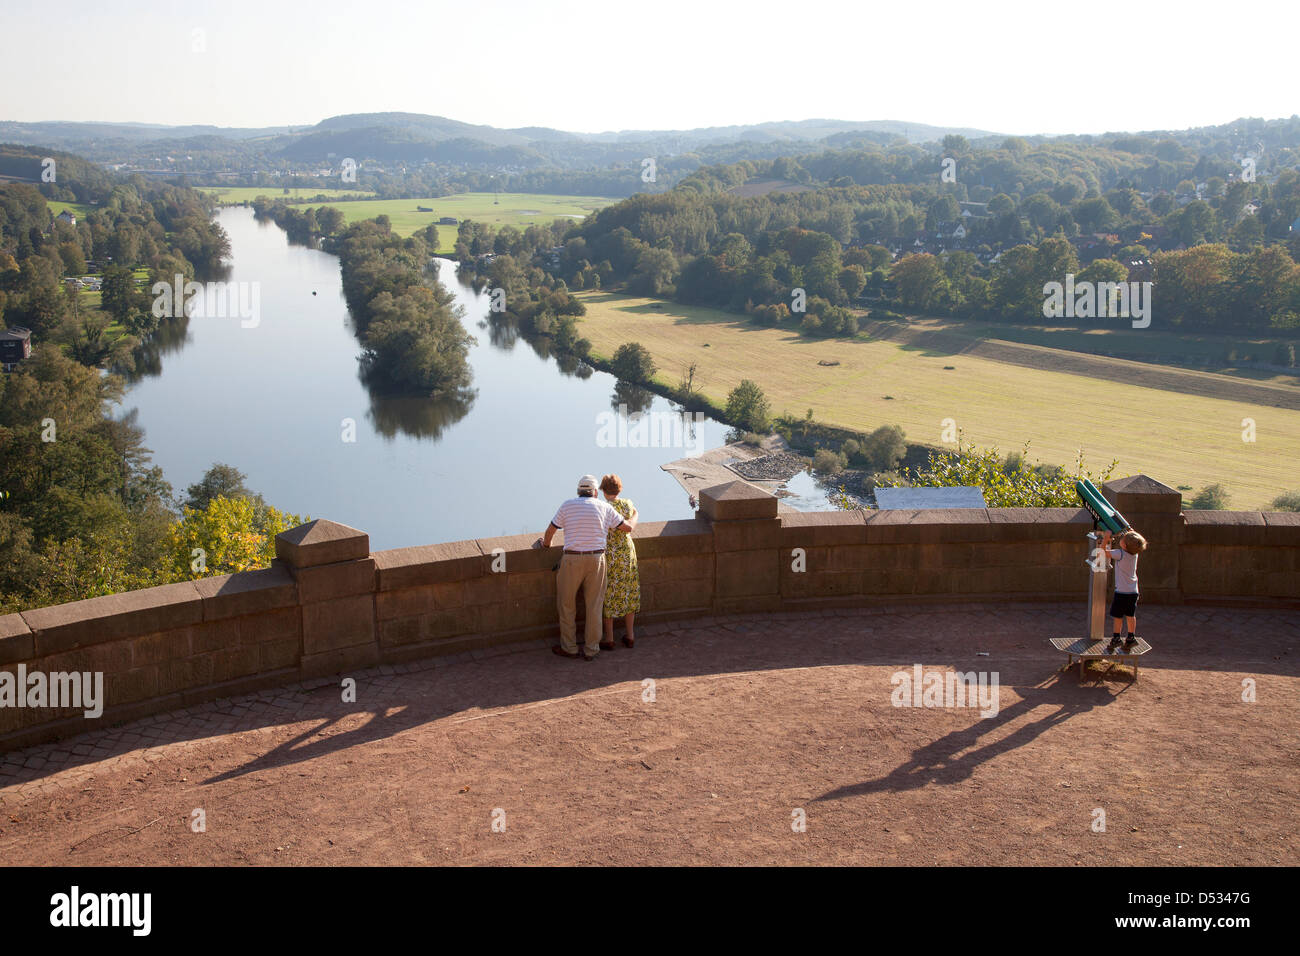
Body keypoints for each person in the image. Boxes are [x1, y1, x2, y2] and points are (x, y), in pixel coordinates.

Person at [539, 474, 635, 661]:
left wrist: (546, 545)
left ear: (578, 491)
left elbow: (551, 529)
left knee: (567, 605)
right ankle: (591, 648)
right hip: (597, 559)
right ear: (595, 492)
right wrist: (635, 516)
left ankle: (570, 647)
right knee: (594, 606)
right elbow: (626, 528)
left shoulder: (567, 505)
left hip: (572, 559)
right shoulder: (604, 507)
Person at [598, 474, 640, 650]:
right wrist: (634, 516)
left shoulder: (603, 508)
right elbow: (634, 516)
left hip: (611, 553)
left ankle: (609, 638)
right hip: (627, 551)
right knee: (628, 589)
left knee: (609, 592)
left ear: (603, 490)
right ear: (619, 488)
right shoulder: (627, 504)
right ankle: (630, 636)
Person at [1101, 528, 1147, 652]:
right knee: (1130, 615)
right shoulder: (1135, 553)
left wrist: (1106, 539)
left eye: (1123, 539)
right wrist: (1130, 533)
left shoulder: (1119, 553)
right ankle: (1130, 637)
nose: (1121, 539)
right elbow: (1134, 542)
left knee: (1118, 616)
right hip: (1133, 591)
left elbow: (1103, 552)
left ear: (1124, 545)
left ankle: (1116, 638)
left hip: (1121, 592)